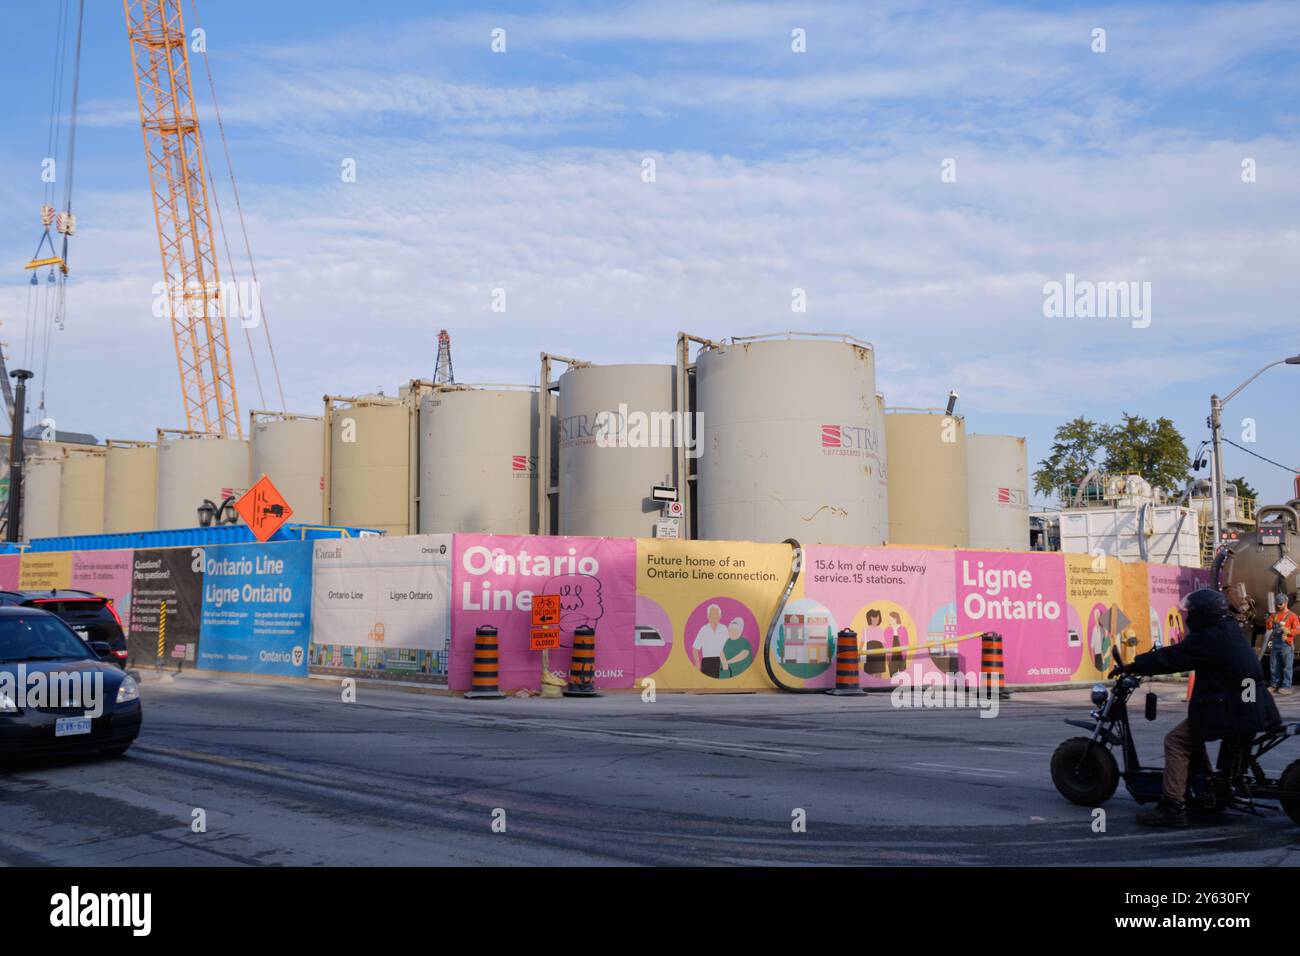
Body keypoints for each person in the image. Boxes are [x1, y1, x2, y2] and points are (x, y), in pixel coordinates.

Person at [1113, 588, 1280, 828]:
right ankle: (1206, 790)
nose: (1187, 616)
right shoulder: (1229, 629)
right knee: (1195, 736)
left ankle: (1172, 807)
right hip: (1250, 705)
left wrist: (1134, 666)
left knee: (1176, 741)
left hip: (1233, 708)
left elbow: (1174, 657)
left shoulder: (1210, 638)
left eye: (1190, 612)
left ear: (1202, 614)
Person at [1265, 593, 1298, 695]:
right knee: (1274, 665)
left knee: (1287, 666)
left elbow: (1298, 629)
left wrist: (1288, 631)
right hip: (1275, 644)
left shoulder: (1292, 616)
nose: (1278, 606)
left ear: (1286, 603)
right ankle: (1274, 684)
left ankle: (1286, 686)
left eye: (1280, 604)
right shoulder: (1274, 615)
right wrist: (1268, 621)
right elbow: (1269, 628)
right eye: (1277, 604)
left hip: (1286, 645)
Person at [692, 603, 728, 678]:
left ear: (720, 616)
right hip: (707, 662)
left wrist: (726, 663)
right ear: (708, 616)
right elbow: (695, 648)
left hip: (721, 661)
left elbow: (728, 646)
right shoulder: (704, 629)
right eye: (712, 614)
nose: (714, 616)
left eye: (716, 614)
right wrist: (697, 664)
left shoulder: (724, 629)